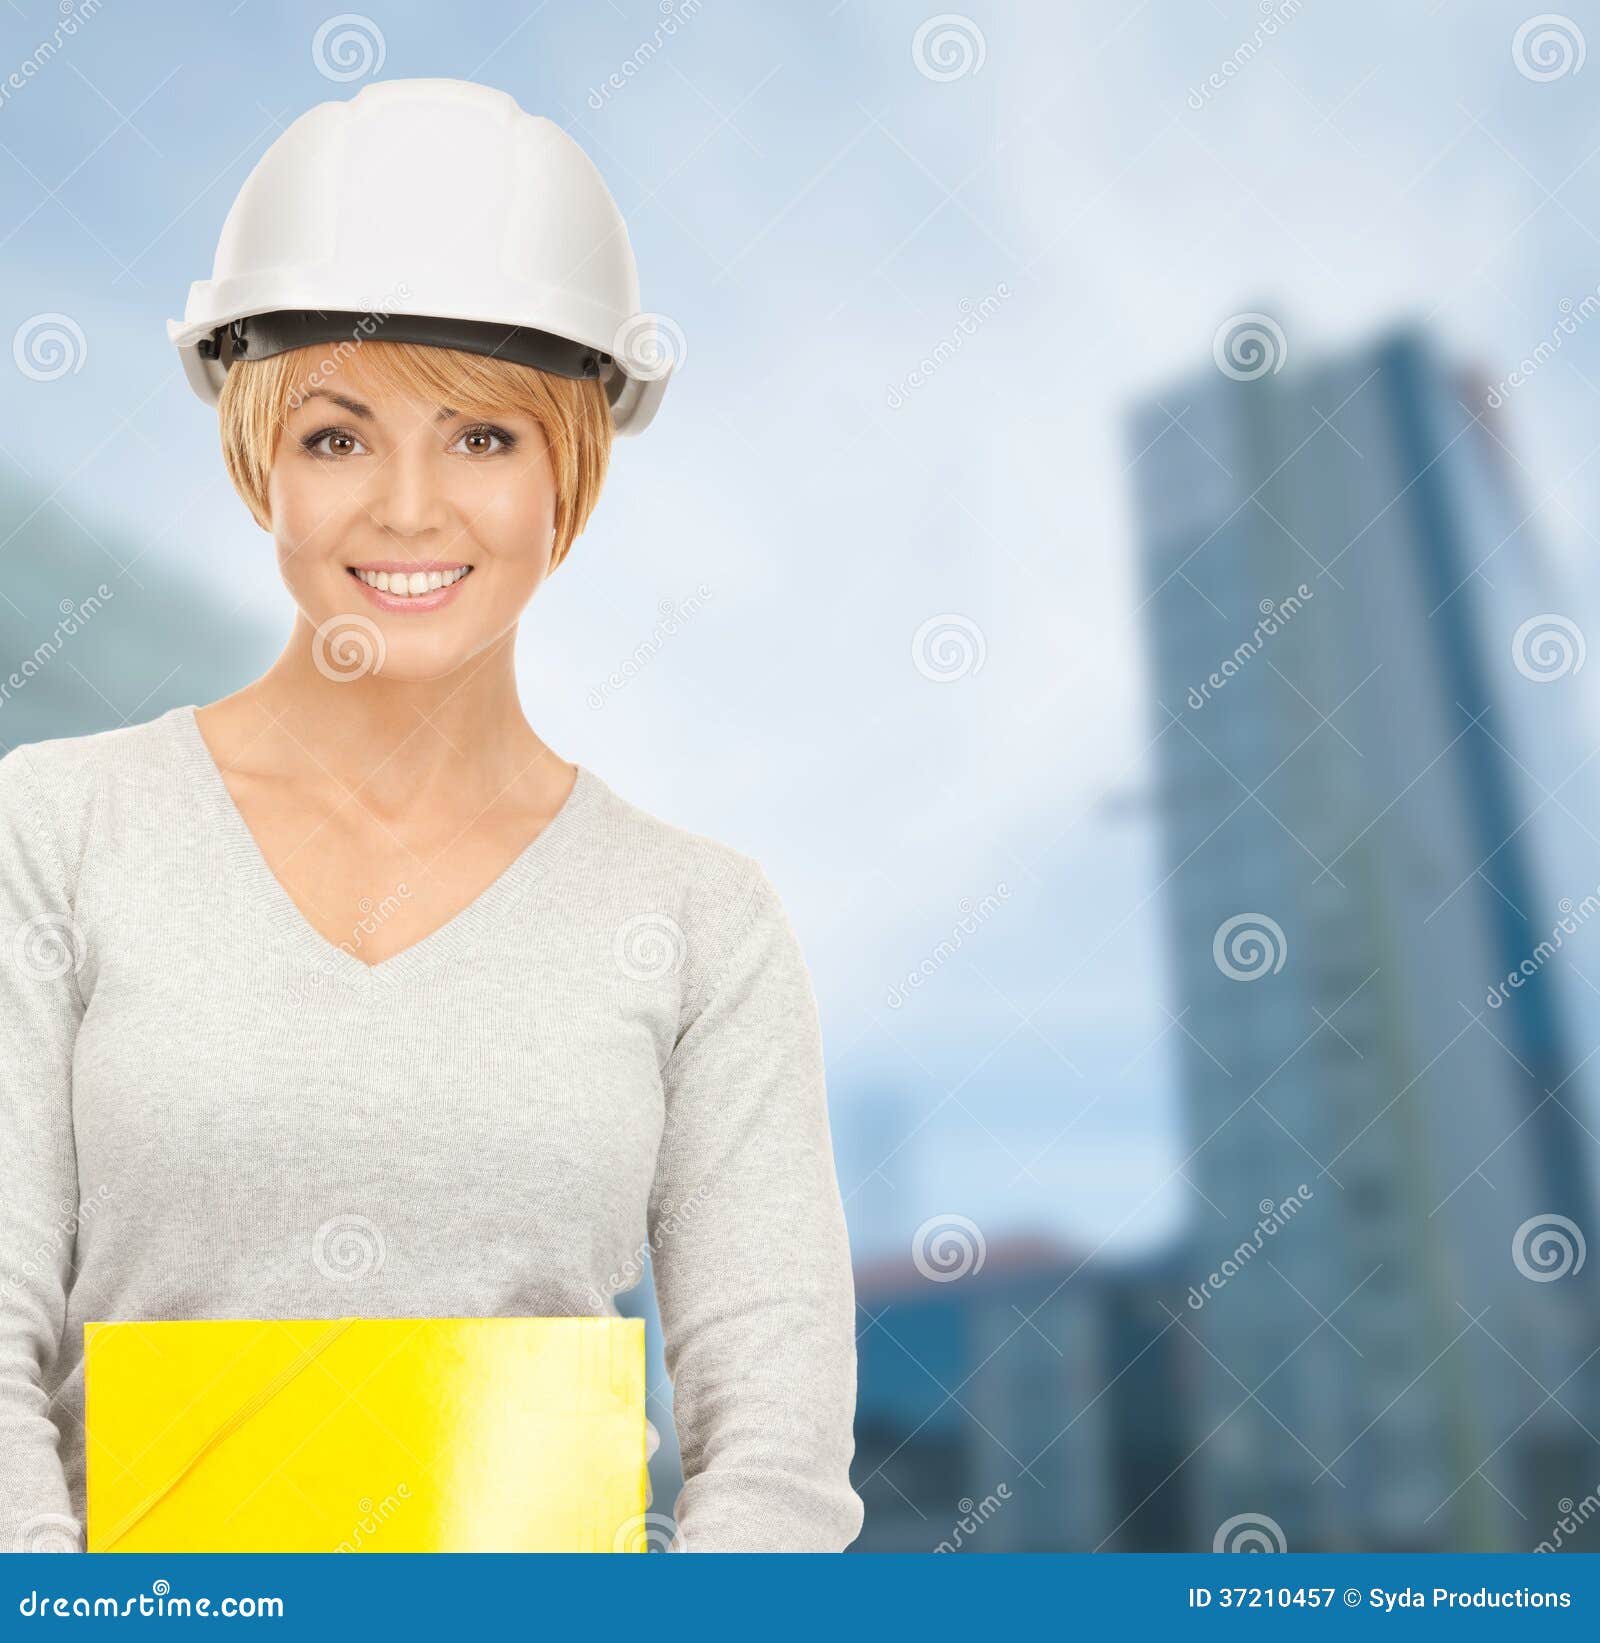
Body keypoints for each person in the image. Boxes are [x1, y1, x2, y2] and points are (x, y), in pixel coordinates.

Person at [0, 77, 863, 1554]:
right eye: (338, 437)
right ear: (257, 457)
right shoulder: (54, 834)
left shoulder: (701, 920)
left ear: (570, 479)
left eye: (485, 440)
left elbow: (775, 1455)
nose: (409, 509)